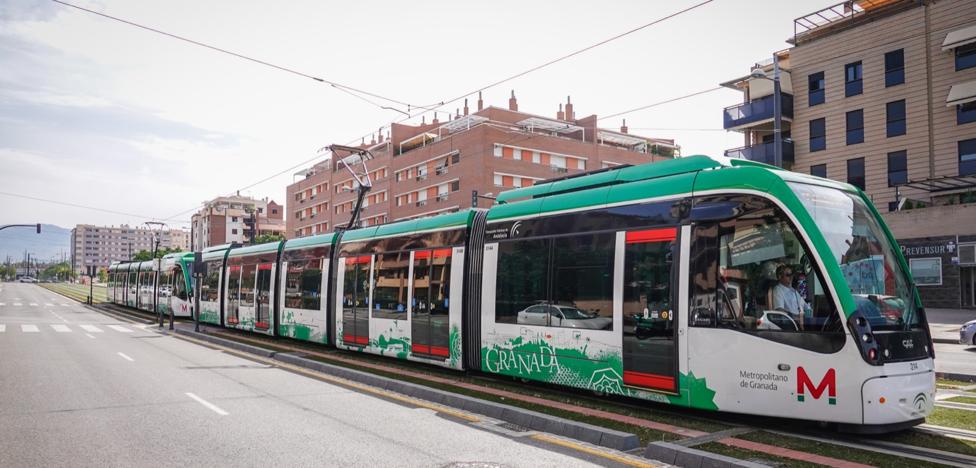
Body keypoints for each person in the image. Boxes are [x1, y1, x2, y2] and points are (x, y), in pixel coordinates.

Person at [772, 265, 809, 330]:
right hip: (790, 325)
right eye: (788, 275)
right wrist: (795, 317)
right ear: (780, 277)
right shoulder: (778, 290)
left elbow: (806, 306)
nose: (791, 277)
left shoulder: (793, 290)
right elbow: (779, 310)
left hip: (800, 323)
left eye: (791, 274)